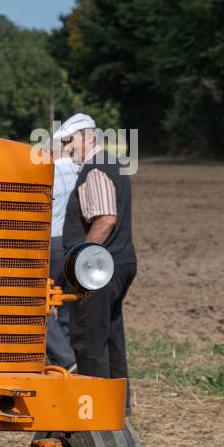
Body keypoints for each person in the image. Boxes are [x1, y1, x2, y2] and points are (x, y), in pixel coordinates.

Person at [56, 112, 137, 404]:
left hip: (99, 269)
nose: (66, 149)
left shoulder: (96, 168)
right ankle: (118, 406)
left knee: (89, 340)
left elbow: (105, 220)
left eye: (69, 141)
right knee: (112, 337)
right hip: (120, 263)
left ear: (88, 136)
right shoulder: (113, 164)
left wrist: (80, 262)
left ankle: (96, 408)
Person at [45, 145, 79, 370]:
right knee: (67, 304)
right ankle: (72, 357)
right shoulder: (79, 170)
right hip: (75, 242)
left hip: (54, 240)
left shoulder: (50, 171)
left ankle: (65, 359)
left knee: (37, 302)